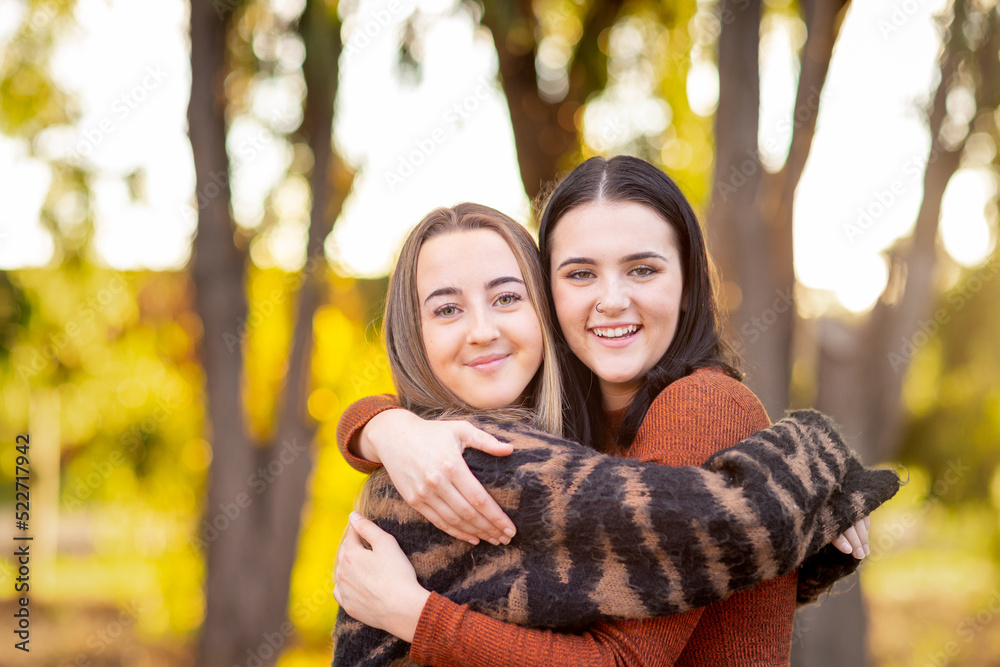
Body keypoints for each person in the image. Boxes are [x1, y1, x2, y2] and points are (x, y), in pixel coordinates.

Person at [333, 192, 886, 666]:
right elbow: (709, 526)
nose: (482, 330)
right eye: (446, 310)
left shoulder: (569, 438)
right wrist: (811, 463)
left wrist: (378, 426)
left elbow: (653, 562)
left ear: (541, 309)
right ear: (413, 335)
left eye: (506, 298)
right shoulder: (463, 463)